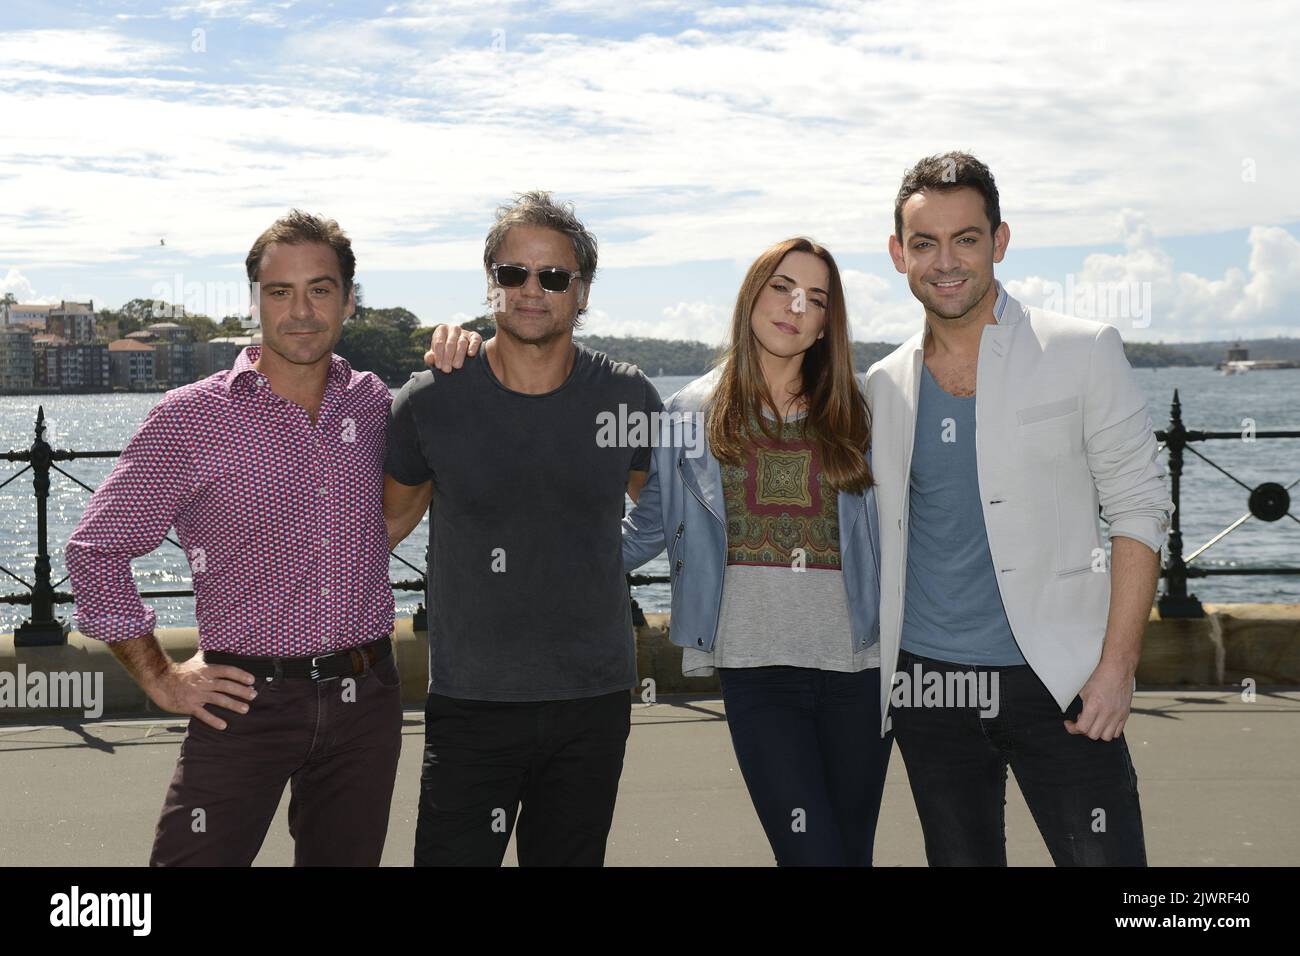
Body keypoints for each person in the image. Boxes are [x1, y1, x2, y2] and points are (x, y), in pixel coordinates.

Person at [66, 210, 405, 866]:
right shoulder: (191, 417)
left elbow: (400, 506)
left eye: (320, 289)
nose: (301, 311)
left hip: (367, 698)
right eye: (280, 292)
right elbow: (95, 550)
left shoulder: (372, 405)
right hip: (244, 701)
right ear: (255, 302)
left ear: (349, 300)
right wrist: (161, 678)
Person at [867, 152, 1173, 866]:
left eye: (966, 238)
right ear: (897, 254)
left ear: (999, 242)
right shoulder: (882, 385)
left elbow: (1138, 508)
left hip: (1060, 682)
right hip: (928, 687)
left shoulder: (1081, 350)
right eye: (924, 243)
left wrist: (1118, 666)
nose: (946, 261)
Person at [384, 190, 662, 867]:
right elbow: (382, 528)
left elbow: (665, 511)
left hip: (592, 701)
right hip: (471, 702)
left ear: (582, 291)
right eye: (513, 274)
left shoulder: (626, 398)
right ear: (491, 286)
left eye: (553, 276)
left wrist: (600, 558)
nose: (531, 290)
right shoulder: (430, 400)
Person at [621, 237, 891, 866]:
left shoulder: (862, 410)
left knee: (851, 855)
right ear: (751, 295)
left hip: (861, 670)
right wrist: (536, 560)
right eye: (780, 286)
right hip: (758, 672)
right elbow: (645, 531)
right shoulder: (690, 413)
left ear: (827, 324)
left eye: (814, 299)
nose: (794, 306)